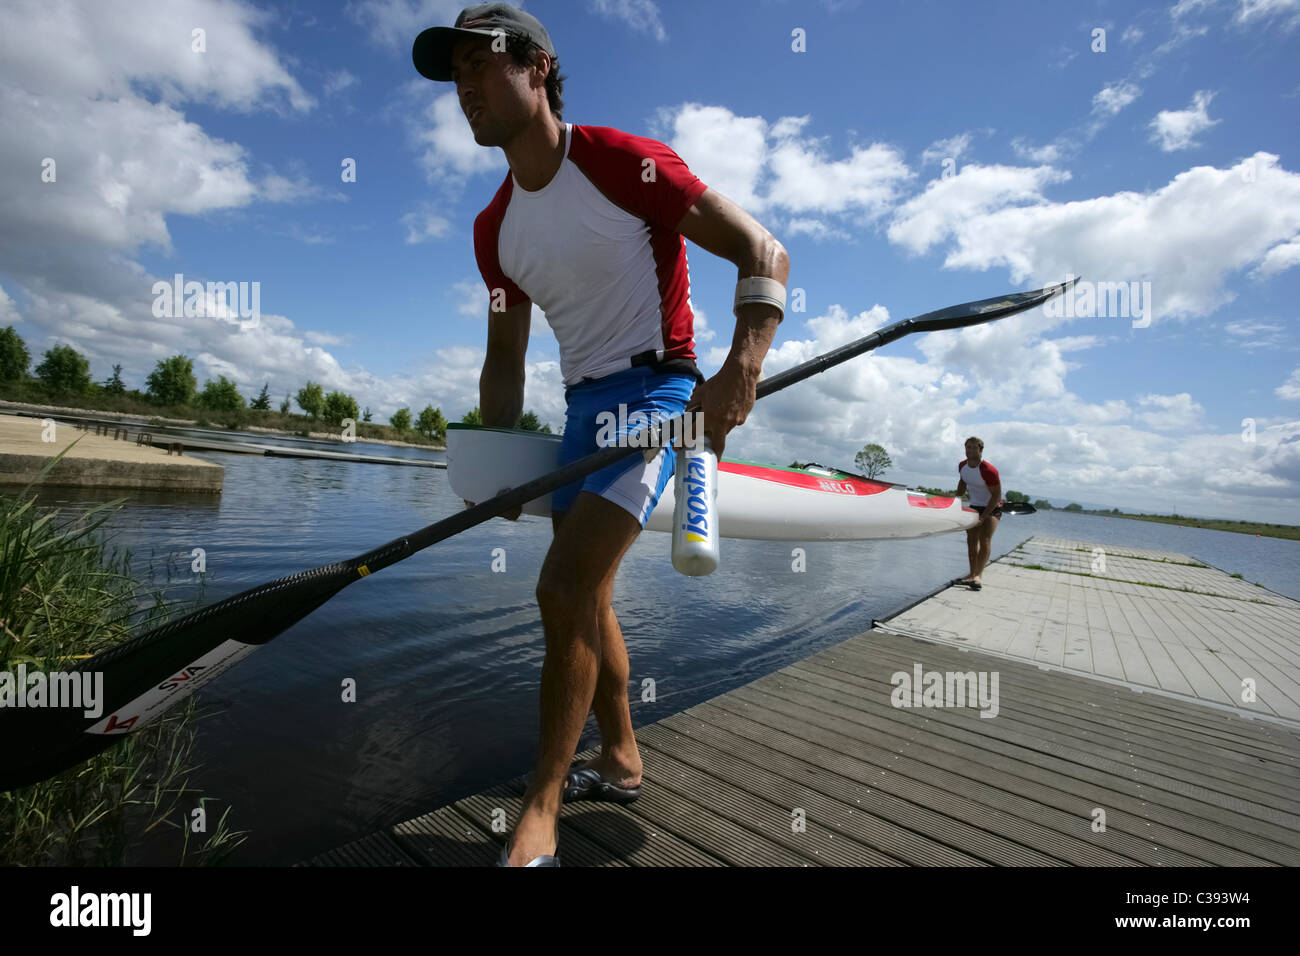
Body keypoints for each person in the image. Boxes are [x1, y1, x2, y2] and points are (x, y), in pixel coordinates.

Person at [412, 3, 789, 867]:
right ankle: (620, 759)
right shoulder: (491, 231)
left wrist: (740, 370)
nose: (464, 85)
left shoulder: (623, 163)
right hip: (584, 408)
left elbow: (764, 252)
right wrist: (489, 456)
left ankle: (541, 805)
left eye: (480, 63)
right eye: (453, 75)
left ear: (538, 66)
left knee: (560, 589)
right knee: (590, 598)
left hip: (662, 393)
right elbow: (504, 353)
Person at [954, 436, 1002, 591]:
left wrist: (984, 516)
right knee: (971, 541)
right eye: (968, 447)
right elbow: (962, 482)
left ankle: (978, 577)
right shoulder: (962, 465)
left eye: (974, 447)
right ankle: (971, 573)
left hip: (992, 508)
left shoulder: (988, 470)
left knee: (985, 540)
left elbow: (996, 496)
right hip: (975, 507)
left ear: (980, 450)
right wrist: (955, 500)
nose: (971, 450)